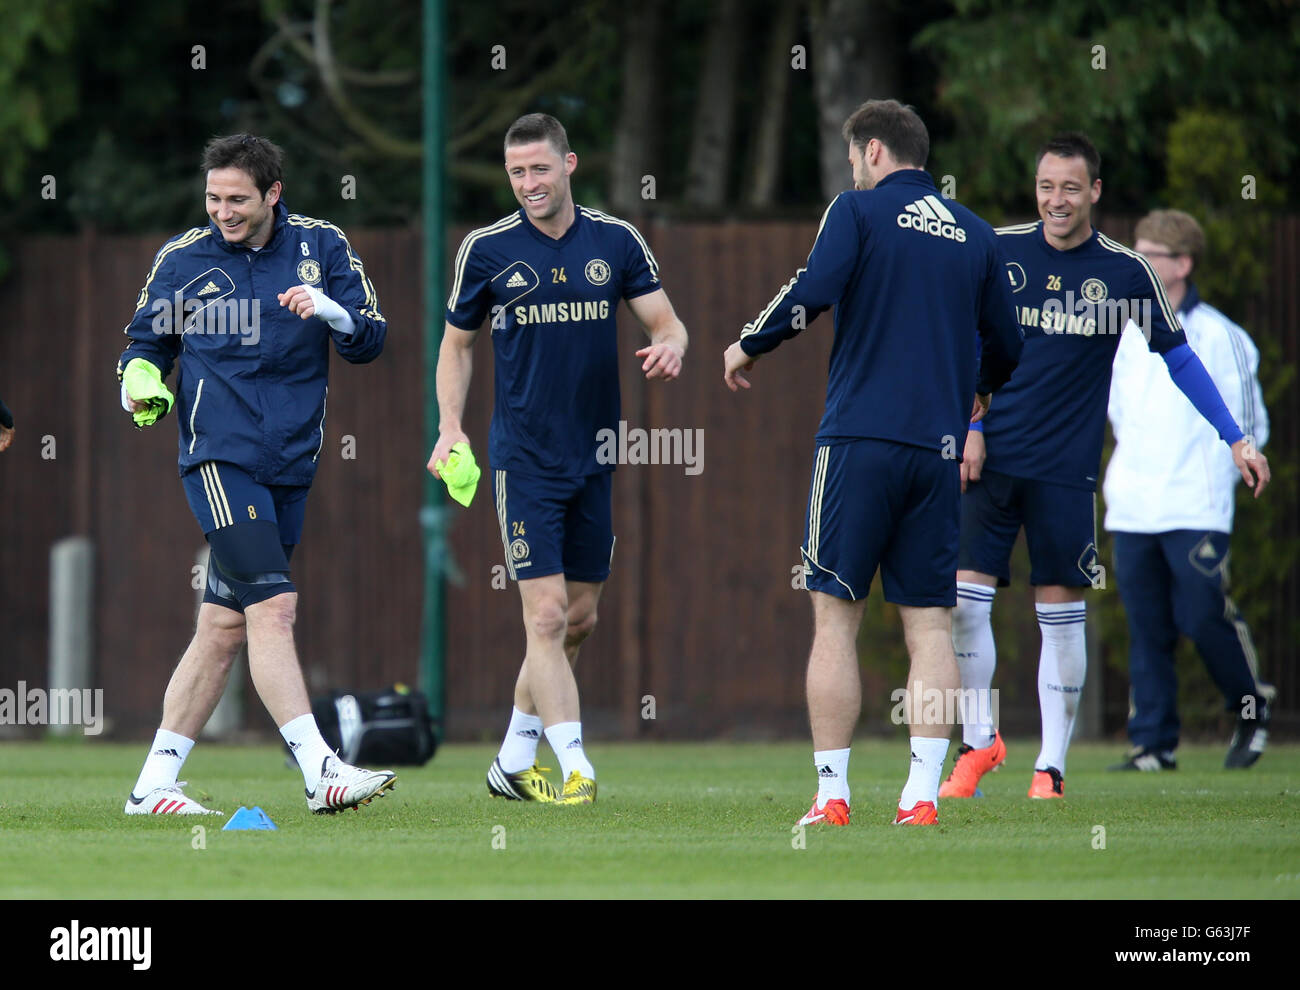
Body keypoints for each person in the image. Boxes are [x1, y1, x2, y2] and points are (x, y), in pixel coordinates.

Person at [723, 99, 1023, 826]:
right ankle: (921, 797)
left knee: (835, 619)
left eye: (855, 156)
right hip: (936, 452)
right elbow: (1009, 344)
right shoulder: (977, 236)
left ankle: (832, 797)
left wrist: (748, 344)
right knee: (929, 626)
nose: (853, 168)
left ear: (874, 153)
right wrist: (975, 394)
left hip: (858, 442)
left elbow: (813, 291)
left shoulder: (855, 213)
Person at [943, 134, 1270, 801]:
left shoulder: (1125, 273)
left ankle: (1051, 767)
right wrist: (970, 426)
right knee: (961, 606)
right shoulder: (998, 250)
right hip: (990, 460)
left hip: (1065, 473)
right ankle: (980, 744)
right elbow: (962, 346)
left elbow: (1179, 361)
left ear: (1095, 191)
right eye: (1045, 186)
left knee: (1057, 616)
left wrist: (1236, 439)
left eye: (1070, 187)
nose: (1055, 200)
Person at [119, 133, 395, 816]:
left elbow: (371, 338)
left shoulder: (321, 248)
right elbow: (143, 348)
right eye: (213, 198)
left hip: (292, 460)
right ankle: (320, 770)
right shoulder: (185, 262)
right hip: (220, 455)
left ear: (274, 194)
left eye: (237, 198)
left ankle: (152, 784)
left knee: (223, 627)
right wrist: (141, 382)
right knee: (273, 608)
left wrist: (332, 313)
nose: (223, 211)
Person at [429, 113, 688, 806]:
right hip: (524, 461)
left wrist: (672, 345)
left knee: (577, 621)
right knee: (542, 617)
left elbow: (666, 320)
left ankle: (512, 760)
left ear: (569, 165)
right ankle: (577, 768)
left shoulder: (615, 240)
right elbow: (456, 346)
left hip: (596, 456)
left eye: (539, 169)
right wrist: (451, 426)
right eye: (516, 173)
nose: (527, 184)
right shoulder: (486, 251)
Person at [1104, 209, 1272, 771]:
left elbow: (1250, 427)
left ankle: (1251, 713)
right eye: (1137, 250)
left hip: (1196, 505)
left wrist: (1225, 469)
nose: (1139, 262)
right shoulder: (1122, 331)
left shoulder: (1223, 336)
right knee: (1147, 627)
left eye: (1151, 254)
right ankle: (1153, 743)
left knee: (1202, 614)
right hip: (1132, 504)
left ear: (1182, 264)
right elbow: (1117, 413)